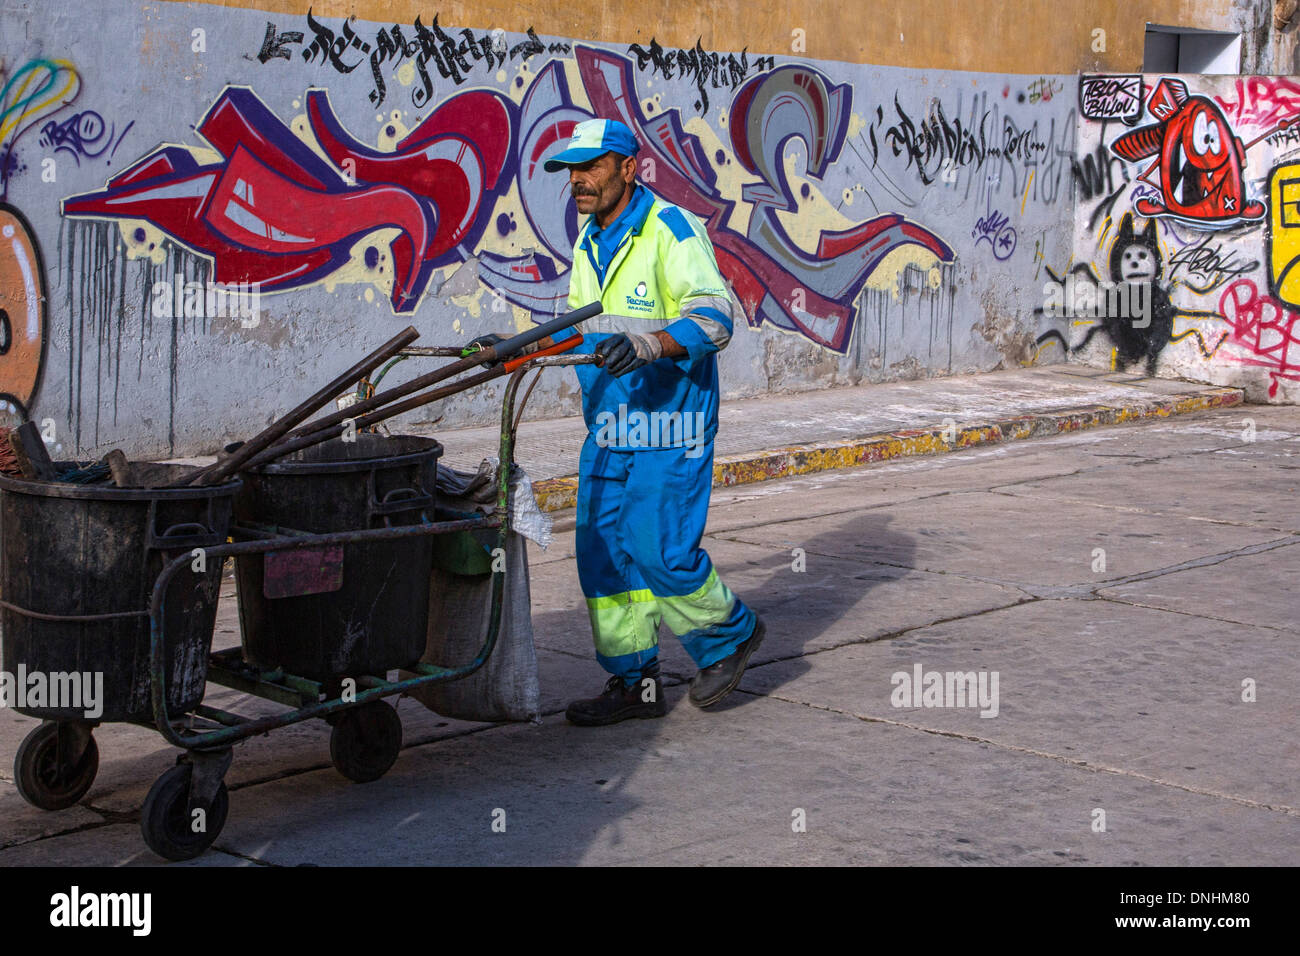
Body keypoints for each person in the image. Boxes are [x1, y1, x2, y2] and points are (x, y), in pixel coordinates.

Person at [469, 118, 764, 726]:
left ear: (629, 168)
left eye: (592, 166)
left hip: (670, 424)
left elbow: (715, 318)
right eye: (572, 170)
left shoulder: (669, 231)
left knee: (657, 547)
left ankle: (729, 635)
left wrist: (653, 344)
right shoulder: (589, 241)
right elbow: (582, 329)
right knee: (603, 553)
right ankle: (635, 683)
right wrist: (517, 348)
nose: (578, 180)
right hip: (610, 424)